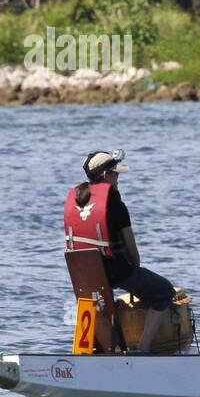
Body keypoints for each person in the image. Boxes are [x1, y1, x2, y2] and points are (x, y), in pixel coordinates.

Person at [63, 150, 175, 353]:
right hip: (117, 271)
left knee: (97, 301)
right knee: (163, 291)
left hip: (86, 274)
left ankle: (86, 348)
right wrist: (136, 265)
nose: (118, 178)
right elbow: (131, 249)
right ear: (106, 175)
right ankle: (142, 348)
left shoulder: (80, 201)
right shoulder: (115, 204)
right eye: (116, 173)